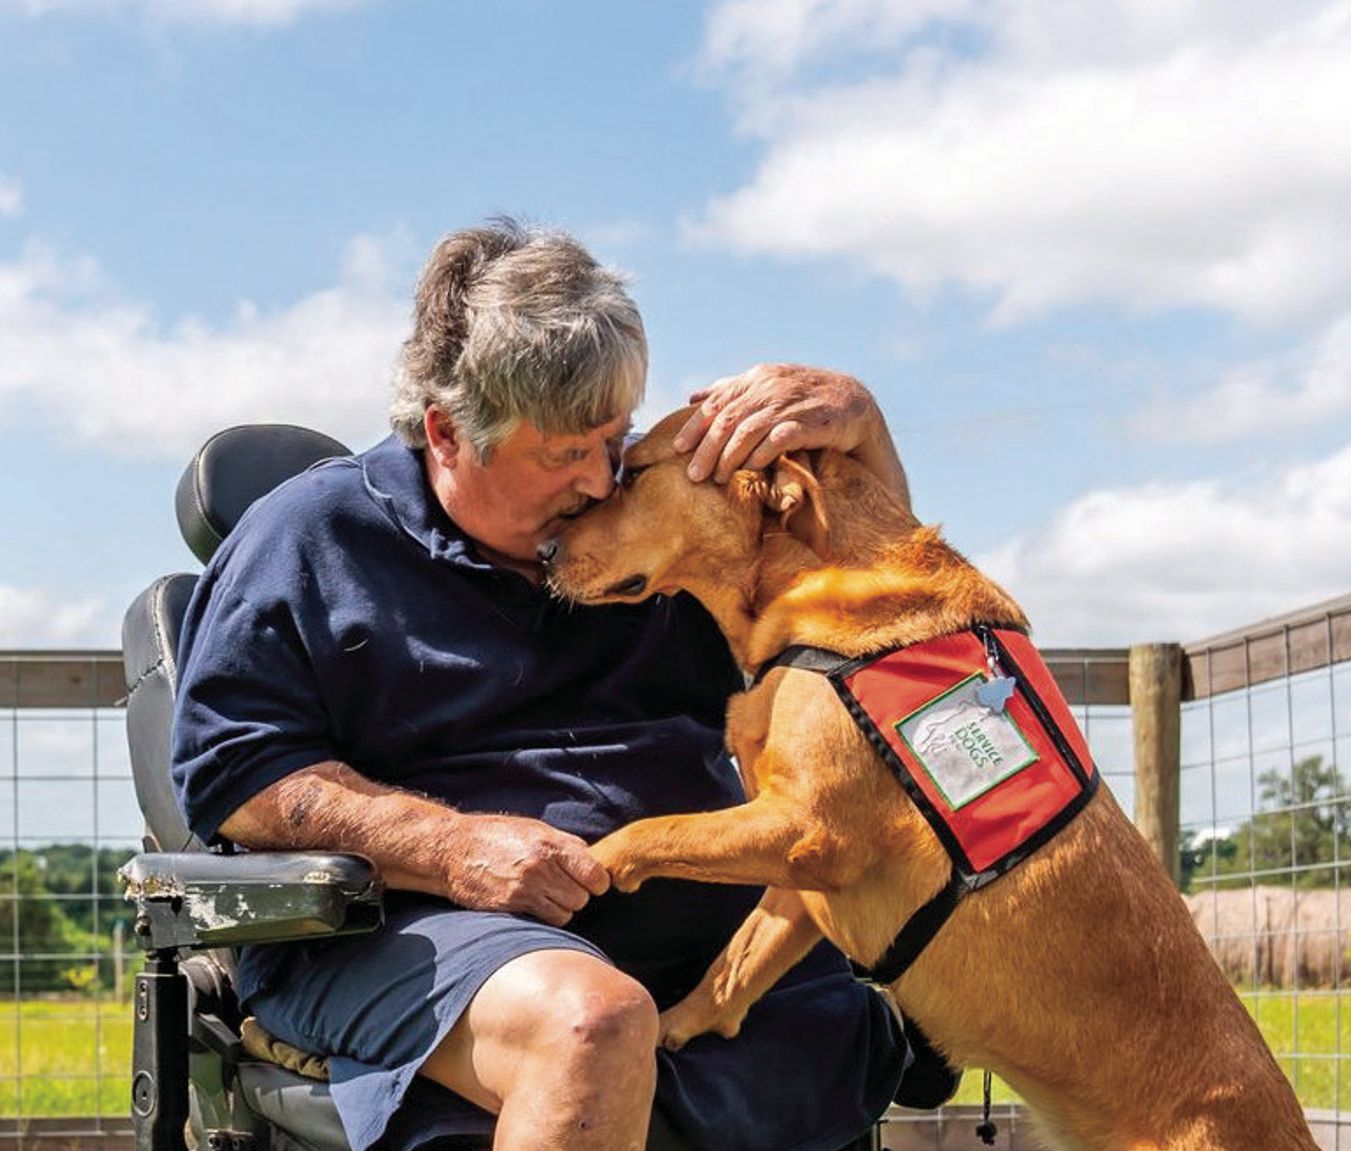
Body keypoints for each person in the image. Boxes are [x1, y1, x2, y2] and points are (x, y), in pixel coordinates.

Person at [170, 218, 916, 1151]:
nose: (603, 481)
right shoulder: (309, 538)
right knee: (589, 1024)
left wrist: (862, 432)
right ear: (447, 432)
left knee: (867, 1001)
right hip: (408, 929)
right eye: (565, 453)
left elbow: (877, 624)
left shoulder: (650, 522)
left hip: (692, 939)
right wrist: (450, 846)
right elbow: (237, 774)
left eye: (615, 438)